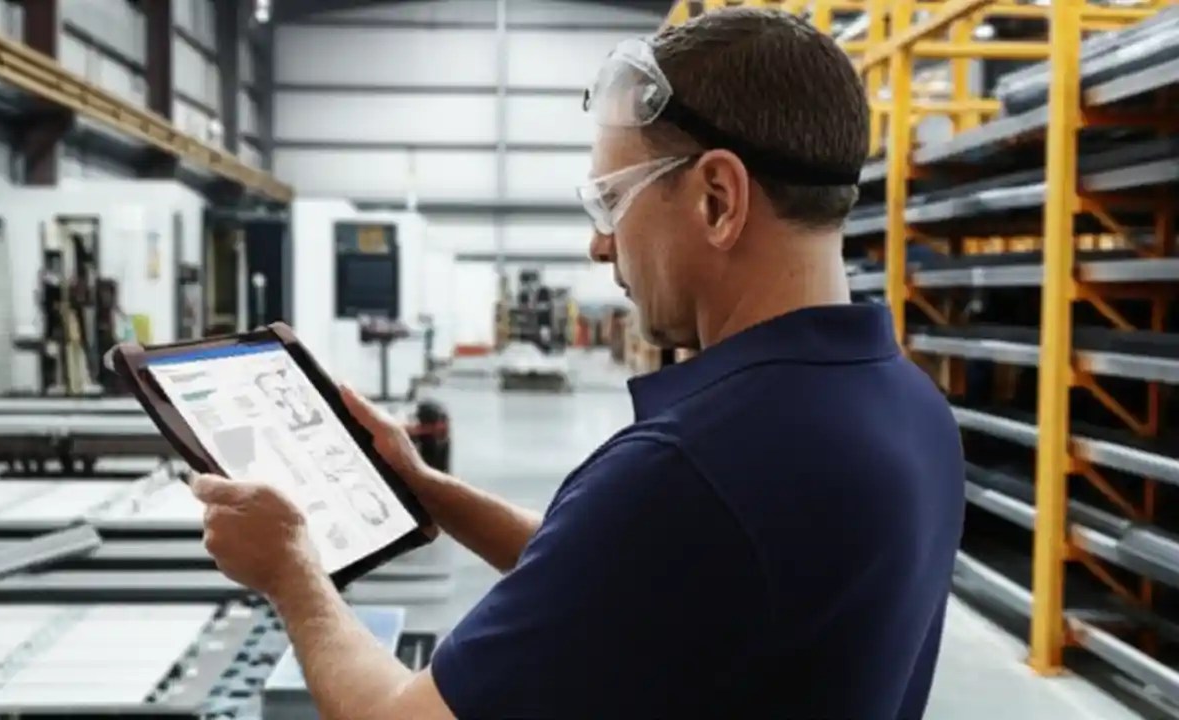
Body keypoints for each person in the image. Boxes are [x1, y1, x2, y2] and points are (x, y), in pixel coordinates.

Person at [189, 8, 965, 719]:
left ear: (718, 199)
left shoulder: (692, 468)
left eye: (611, 201)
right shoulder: (912, 409)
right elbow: (627, 576)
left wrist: (291, 572)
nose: (599, 244)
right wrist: (430, 491)